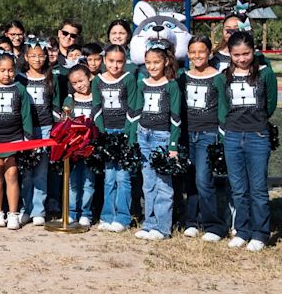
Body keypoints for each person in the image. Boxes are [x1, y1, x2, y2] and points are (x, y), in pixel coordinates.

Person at [214, 30, 278, 252]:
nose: (242, 59)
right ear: (230, 54)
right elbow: (223, 106)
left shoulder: (265, 73)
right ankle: (242, 230)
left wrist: (256, 123)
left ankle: (261, 233)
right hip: (232, 136)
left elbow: (270, 104)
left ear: (254, 51)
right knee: (238, 188)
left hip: (258, 136)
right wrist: (229, 128)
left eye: (246, 53)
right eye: (236, 55)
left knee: (258, 188)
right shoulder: (223, 76)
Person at [130, 42, 182, 240]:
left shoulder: (171, 85)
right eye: (148, 62)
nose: (152, 66)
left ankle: (162, 227)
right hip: (144, 134)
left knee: (163, 183)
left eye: (156, 62)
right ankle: (149, 223)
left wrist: (173, 146)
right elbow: (136, 111)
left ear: (166, 62)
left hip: (162, 136)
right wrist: (134, 136)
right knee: (148, 182)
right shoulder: (142, 83)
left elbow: (176, 118)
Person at [182, 35, 227, 241]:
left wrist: (220, 134)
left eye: (202, 51)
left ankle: (213, 225)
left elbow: (223, 108)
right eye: (193, 52)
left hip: (208, 134)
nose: (197, 56)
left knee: (203, 179)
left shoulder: (218, 77)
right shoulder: (184, 77)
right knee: (190, 178)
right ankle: (191, 221)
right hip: (187, 133)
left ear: (209, 53)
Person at [0, 52, 33, 230]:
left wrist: (27, 137)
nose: (7, 74)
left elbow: (26, 114)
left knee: (11, 174)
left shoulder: (19, 89)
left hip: (14, 138)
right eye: (2, 70)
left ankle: (13, 213)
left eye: (10, 70)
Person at [92, 44, 137, 232]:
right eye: (111, 61)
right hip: (107, 133)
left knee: (123, 177)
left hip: (123, 132)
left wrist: (127, 135)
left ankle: (123, 217)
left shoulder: (129, 79)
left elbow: (133, 109)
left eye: (120, 61)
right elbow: (96, 109)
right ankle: (107, 215)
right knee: (109, 177)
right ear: (104, 61)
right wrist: (102, 134)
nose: (115, 65)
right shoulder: (97, 81)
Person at [19, 36, 62, 226]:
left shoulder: (51, 77)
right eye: (33, 56)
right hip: (26, 130)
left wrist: (55, 128)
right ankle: (24, 208)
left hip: (45, 129)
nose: (37, 59)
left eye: (41, 56)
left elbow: (55, 106)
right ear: (26, 57)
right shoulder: (20, 78)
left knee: (41, 172)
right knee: (26, 171)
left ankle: (39, 210)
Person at [62, 64, 96, 226]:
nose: (79, 85)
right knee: (72, 180)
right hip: (74, 148)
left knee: (88, 181)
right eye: (74, 83)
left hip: (90, 147)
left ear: (89, 77)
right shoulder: (70, 100)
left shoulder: (96, 97)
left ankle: (86, 213)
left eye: (81, 81)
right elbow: (64, 122)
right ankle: (71, 211)